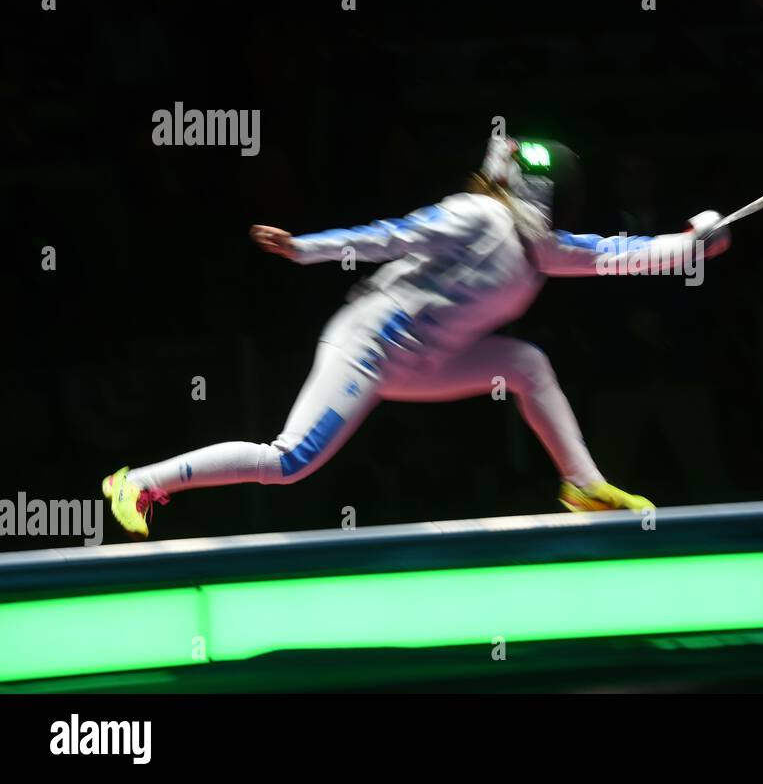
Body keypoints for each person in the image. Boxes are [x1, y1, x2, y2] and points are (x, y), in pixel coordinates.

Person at [102, 135, 729, 536]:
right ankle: (140, 481)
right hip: (368, 347)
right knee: (288, 461)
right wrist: (306, 250)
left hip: (430, 363)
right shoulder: (475, 214)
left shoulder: (546, 252)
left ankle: (584, 486)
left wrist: (701, 238)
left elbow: (631, 253)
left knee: (527, 363)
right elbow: (391, 236)